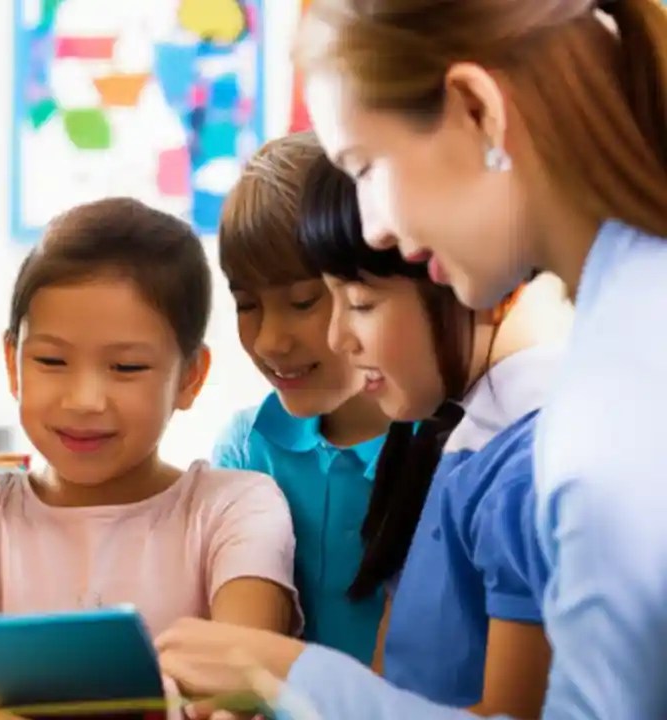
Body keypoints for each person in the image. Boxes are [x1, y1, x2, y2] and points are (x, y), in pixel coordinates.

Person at [160, 0, 667, 715]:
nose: (374, 227)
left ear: (476, 111)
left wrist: (294, 678)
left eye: (366, 167)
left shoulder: (616, 392)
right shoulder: (614, 343)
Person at [158, 152, 570, 720]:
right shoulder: (450, 446)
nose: (338, 336)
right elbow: (392, 681)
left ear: (445, 265)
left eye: (357, 303)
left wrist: (287, 674)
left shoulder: (521, 465)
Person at [0, 197, 298, 638]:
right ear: (13, 364)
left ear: (191, 377)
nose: (85, 400)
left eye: (126, 368)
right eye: (52, 361)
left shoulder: (234, 509)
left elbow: (244, 677)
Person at [211, 131, 391, 665]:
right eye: (247, 305)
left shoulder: (441, 450)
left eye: (302, 301)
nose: (271, 340)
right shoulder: (246, 447)